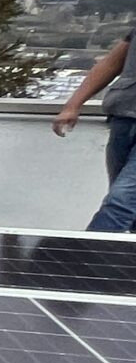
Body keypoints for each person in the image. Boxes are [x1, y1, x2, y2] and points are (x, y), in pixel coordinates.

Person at [50, 25, 136, 230]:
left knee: (121, 202)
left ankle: (82, 257)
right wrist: (72, 105)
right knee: (129, 206)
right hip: (124, 119)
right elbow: (111, 63)